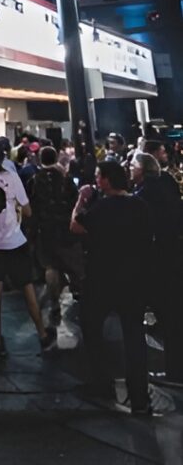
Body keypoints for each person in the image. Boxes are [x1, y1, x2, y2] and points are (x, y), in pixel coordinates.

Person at [71, 159, 156, 414]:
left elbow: (75, 226)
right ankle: (140, 396)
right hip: (134, 280)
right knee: (134, 336)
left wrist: (81, 201)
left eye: (99, 176)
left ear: (107, 180)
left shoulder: (100, 208)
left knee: (91, 325)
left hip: (103, 279)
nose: (96, 180)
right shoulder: (140, 206)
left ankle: (102, 381)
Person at [0, 142, 56, 359]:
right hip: (14, 241)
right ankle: (42, 335)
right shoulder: (12, 177)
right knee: (27, 288)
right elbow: (28, 210)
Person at [130, 152, 183, 390]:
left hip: (156, 262)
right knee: (174, 316)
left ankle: (173, 373)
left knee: (167, 315)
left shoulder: (142, 197)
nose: (130, 169)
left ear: (141, 170)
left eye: (132, 166)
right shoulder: (169, 185)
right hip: (175, 256)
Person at [28, 145, 78, 324]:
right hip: (64, 227)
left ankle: (54, 303)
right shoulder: (65, 178)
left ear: (40, 159)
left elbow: (30, 206)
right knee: (69, 261)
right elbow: (75, 200)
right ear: (56, 157)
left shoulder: (35, 180)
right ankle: (76, 293)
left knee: (50, 266)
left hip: (45, 228)